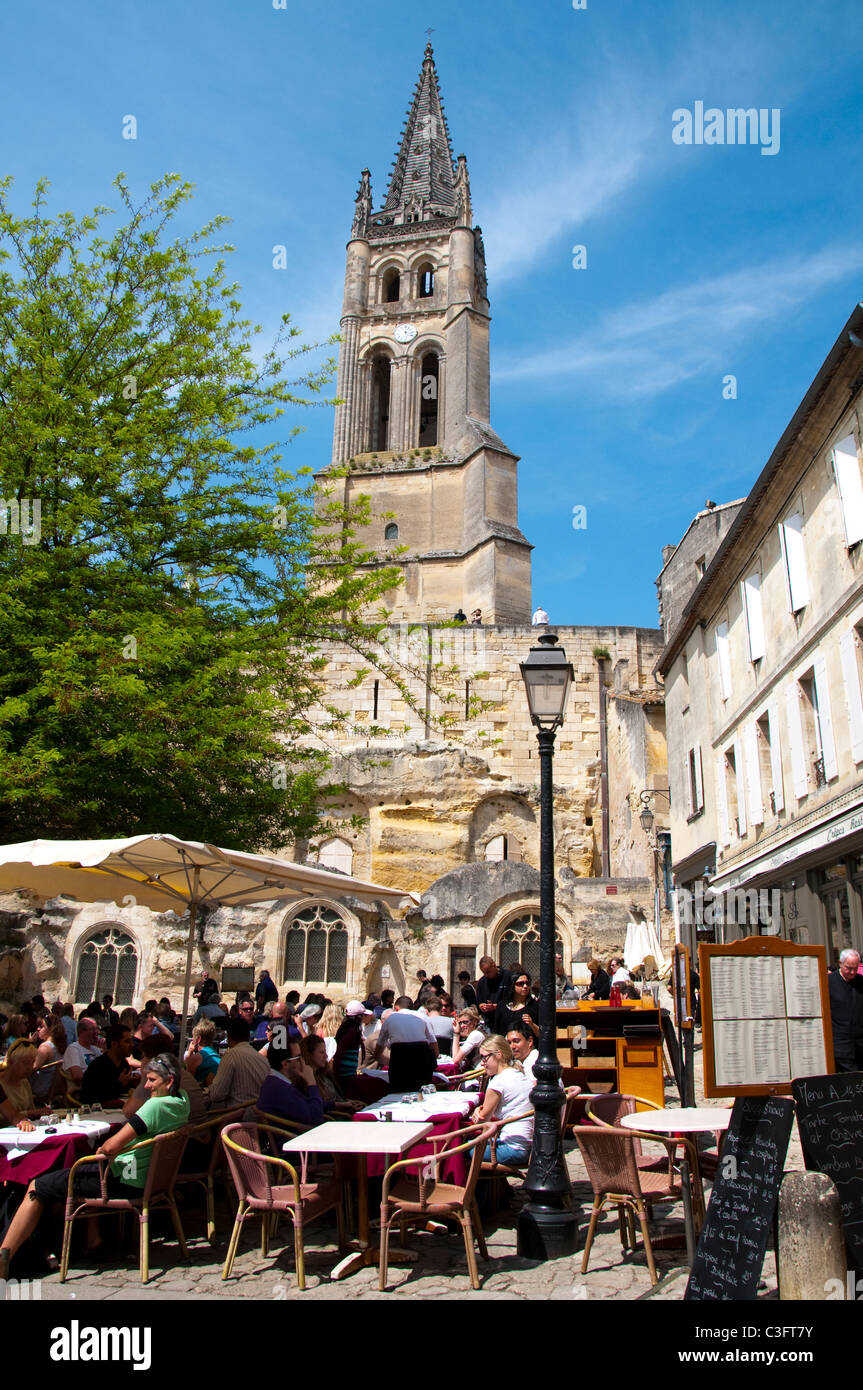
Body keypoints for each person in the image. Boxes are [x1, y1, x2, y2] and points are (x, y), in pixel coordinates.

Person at [0, 1052, 190, 1279]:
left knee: (37, 1187)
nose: (147, 1086)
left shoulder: (154, 1107)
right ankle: (93, 1239)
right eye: (146, 1080)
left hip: (125, 1180)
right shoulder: (182, 1101)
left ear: (169, 1082)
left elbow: (110, 1147)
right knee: (82, 1171)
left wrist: (102, 1152)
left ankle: (5, 1257)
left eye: (151, 1081)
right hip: (150, 1179)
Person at [473, 1036, 534, 1166]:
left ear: (498, 1054)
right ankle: (493, 1187)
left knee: (460, 1150)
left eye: (484, 1057)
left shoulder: (498, 1082)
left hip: (513, 1148)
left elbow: (482, 1121)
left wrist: (476, 1112)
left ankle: (473, 1186)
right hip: (529, 1145)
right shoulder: (518, 1073)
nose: (482, 1063)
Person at [371, 997, 439, 1091]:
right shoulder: (422, 1017)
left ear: (396, 1008)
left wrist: (380, 1060)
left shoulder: (390, 1018)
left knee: (398, 1092)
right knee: (423, 1091)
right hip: (422, 1056)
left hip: (399, 1057)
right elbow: (434, 1045)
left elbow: (379, 1047)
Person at [205, 1017, 270, 1109]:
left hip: (238, 1116)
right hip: (260, 1115)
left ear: (229, 1037)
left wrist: (210, 1083)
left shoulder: (230, 1056)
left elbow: (216, 1095)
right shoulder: (262, 1059)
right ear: (248, 1036)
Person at [257, 1039, 324, 1127]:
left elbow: (305, 1103)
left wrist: (334, 1105)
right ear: (285, 1064)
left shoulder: (275, 1082)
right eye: (298, 1057)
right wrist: (311, 1083)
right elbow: (316, 1119)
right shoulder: (280, 1090)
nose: (303, 1061)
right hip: (297, 1138)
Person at [81, 1024, 136, 1106]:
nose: (132, 1045)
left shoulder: (124, 1064)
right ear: (114, 1044)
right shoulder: (98, 1067)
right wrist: (119, 1084)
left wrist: (134, 1083)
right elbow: (92, 1097)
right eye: (127, 1041)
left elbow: (126, 1091)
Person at [828, 949, 863, 1071]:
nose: (852, 972)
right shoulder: (829, 982)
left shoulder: (860, 981)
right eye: (848, 968)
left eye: (855, 968)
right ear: (840, 963)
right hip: (841, 1045)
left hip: (859, 1043)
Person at [0, 1040, 45, 1128]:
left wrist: (25, 1120)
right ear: (12, 1062)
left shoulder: (24, 1082)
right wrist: (28, 1114)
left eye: (32, 1063)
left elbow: (13, 1117)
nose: (30, 1068)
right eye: (25, 1063)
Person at [332, 1001, 372, 1086]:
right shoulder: (352, 1032)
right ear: (358, 1017)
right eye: (363, 1015)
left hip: (348, 1074)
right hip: (345, 1076)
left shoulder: (348, 1029)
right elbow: (340, 1052)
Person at [493, 970, 540, 1039]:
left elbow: (542, 1034)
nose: (525, 986)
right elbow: (496, 1031)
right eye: (520, 984)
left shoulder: (534, 1006)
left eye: (527, 983)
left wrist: (532, 1024)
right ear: (512, 985)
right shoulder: (502, 1006)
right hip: (505, 1047)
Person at [63, 1017, 103, 1089]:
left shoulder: (96, 1050)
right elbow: (77, 1076)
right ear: (81, 1032)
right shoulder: (73, 1049)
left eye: (97, 1029)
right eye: (92, 1029)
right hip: (81, 1092)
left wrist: (106, 1050)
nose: (96, 1032)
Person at [475, 956, 514, 1021]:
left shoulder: (509, 977)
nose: (486, 975)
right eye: (484, 973)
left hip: (506, 1019)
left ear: (494, 966)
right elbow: (479, 1001)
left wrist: (496, 1006)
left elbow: (513, 1000)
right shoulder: (481, 982)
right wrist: (482, 1006)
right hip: (490, 1021)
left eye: (488, 972)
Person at [184, 1018, 221, 1086]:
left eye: (193, 1037)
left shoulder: (196, 1058)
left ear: (198, 1039)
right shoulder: (216, 1055)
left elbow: (187, 1081)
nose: (192, 1039)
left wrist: (189, 1052)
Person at [451, 1007, 487, 1073]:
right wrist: (456, 1033)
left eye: (465, 1022)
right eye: (460, 1023)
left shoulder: (476, 1034)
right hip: (472, 1072)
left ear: (475, 1022)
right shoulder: (474, 1034)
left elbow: (456, 1060)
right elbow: (455, 1059)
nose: (462, 1026)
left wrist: (457, 1034)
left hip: (477, 1074)